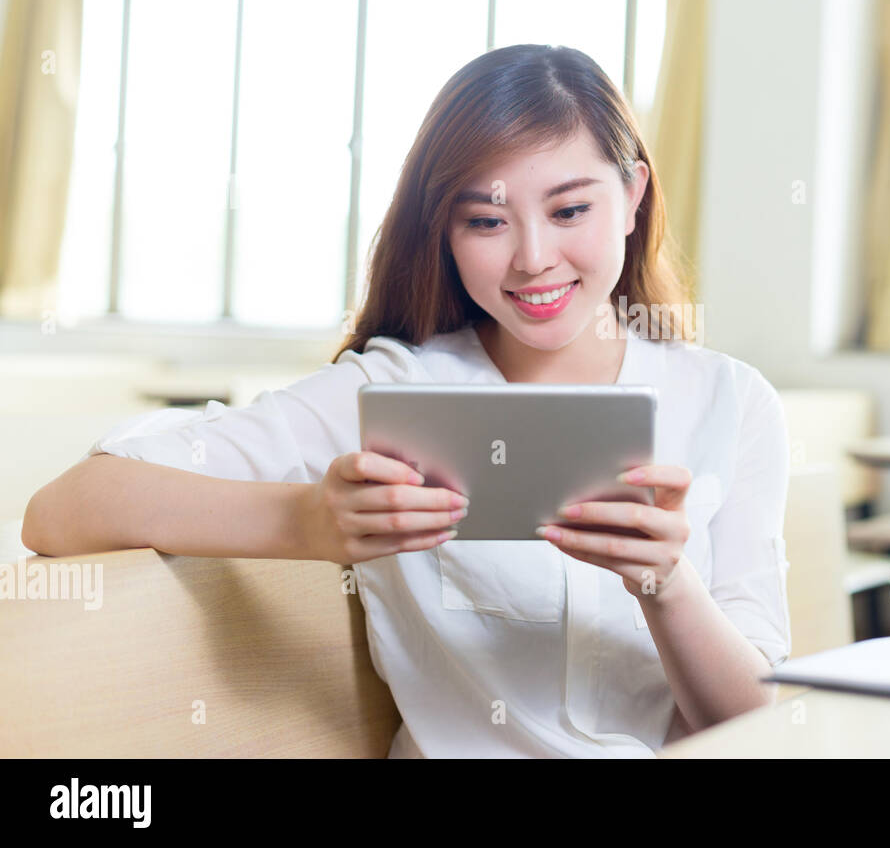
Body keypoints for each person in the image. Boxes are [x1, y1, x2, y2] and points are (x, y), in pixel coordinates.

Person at [23, 44, 792, 758]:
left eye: (569, 210)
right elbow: (63, 511)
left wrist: (666, 582)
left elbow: (756, 727)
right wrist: (305, 522)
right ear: (446, 234)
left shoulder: (729, 401)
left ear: (631, 196)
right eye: (486, 221)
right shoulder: (388, 390)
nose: (532, 258)